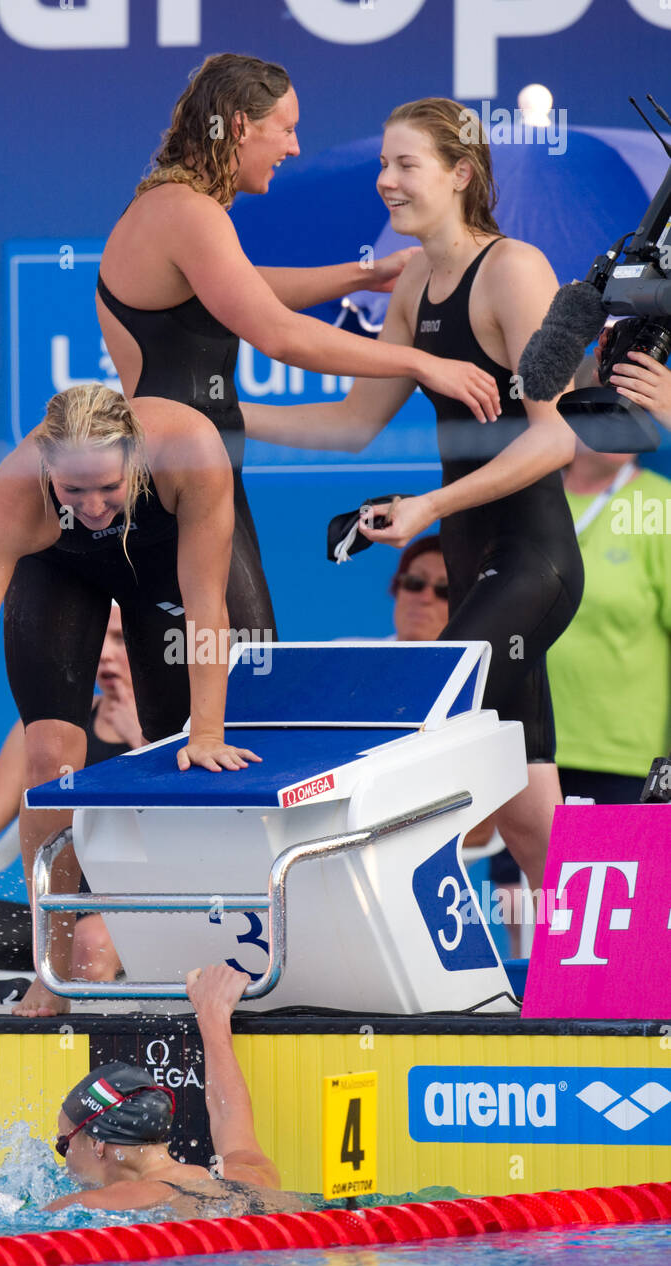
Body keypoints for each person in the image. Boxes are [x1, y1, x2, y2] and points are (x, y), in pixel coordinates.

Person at [243, 97, 584, 903]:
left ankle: (392, 952)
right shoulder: (416, 282)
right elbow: (355, 422)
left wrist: (432, 506)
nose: (384, 180)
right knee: (532, 800)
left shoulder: (515, 271)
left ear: (460, 175)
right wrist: (217, 410)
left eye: (405, 165)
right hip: (473, 558)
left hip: (531, 561)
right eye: (383, 163)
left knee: (423, 729)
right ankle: (614, 983)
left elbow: (556, 436)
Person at [0, 385, 260, 1017]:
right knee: (49, 756)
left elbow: (205, 608)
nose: (91, 506)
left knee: (196, 753)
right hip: (63, 573)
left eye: (108, 489)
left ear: (135, 458)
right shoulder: (15, 493)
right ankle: (53, 967)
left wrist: (206, 731)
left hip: (172, 568)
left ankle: (219, 948)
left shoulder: (189, 451)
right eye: (72, 491)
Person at [97, 54, 501, 639]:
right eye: (285, 129)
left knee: (210, 685)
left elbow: (243, 288)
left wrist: (361, 276)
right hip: (178, 478)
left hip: (174, 472)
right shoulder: (190, 213)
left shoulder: (173, 205)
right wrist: (422, 361)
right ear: (239, 126)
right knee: (247, 667)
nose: (294, 147)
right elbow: (279, 333)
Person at [0, 603, 142, 983]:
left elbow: (192, 838)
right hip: (51, 919)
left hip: (141, 916)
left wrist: (139, 743)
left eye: (120, 639)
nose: (106, 653)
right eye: (98, 639)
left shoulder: (183, 730)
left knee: (88, 944)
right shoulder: (50, 732)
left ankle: (85, 1043)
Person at [45, 964, 312, 1217]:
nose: (65, 1166)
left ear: (97, 1144)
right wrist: (213, 1014)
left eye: (63, 1145)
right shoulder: (251, 1177)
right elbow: (229, 1114)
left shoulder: (98, 1204)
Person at [548, 437, 671, 805]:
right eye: (607, 403)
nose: (623, 422)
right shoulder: (528, 497)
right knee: (525, 866)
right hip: (522, 753)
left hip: (624, 762)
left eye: (635, 408)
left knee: (602, 863)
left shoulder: (661, 504)